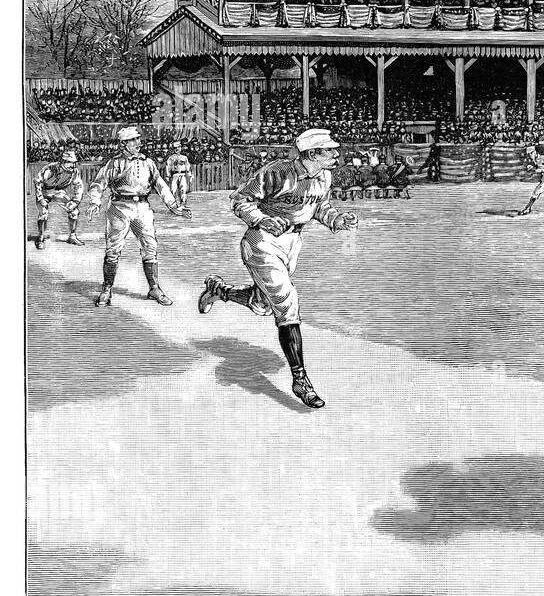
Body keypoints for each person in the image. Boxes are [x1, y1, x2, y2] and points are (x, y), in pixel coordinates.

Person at [197, 128, 359, 409]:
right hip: (262, 241)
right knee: (287, 302)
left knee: (263, 304)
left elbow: (319, 207)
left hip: (293, 242)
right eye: (329, 150)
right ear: (311, 154)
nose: (335, 154)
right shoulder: (277, 173)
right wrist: (261, 220)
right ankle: (301, 380)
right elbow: (240, 200)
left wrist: (336, 219)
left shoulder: (324, 176)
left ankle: (220, 291)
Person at [86, 126, 192, 307]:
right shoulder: (114, 163)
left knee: (150, 247)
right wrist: (95, 202)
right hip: (120, 208)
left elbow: (160, 185)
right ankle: (107, 289)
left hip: (142, 207)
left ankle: (154, 288)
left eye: (138, 139)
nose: (137, 143)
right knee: (113, 250)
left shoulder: (147, 162)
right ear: (124, 144)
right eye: (132, 140)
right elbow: (98, 183)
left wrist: (174, 206)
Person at [33, 149, 85, 248]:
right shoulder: (51, 168)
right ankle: (40, 237)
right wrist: (40, 198)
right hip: (44, 191)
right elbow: (38, 181)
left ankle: (72, 236)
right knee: (43, 213)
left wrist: (75, 201)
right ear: (63, 162)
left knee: (74, 211)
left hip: (59, 192)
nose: (73, 165)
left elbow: (78, 186)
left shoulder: (74, 171)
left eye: (74, 163)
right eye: (70, 163)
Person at [165, 140, 192, 209]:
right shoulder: (171, 158)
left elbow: (188, 166)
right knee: (173, 190)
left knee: (183, 189)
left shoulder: (184, 157)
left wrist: (190, 175)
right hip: (175, 175)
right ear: (173, 149)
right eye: (175, 148)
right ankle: (174, 205)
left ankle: (183, 204)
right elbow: (168, 167)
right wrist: (168, 175)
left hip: (182, 175)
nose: (177, 149)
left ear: (181, 148)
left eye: (179, 147)